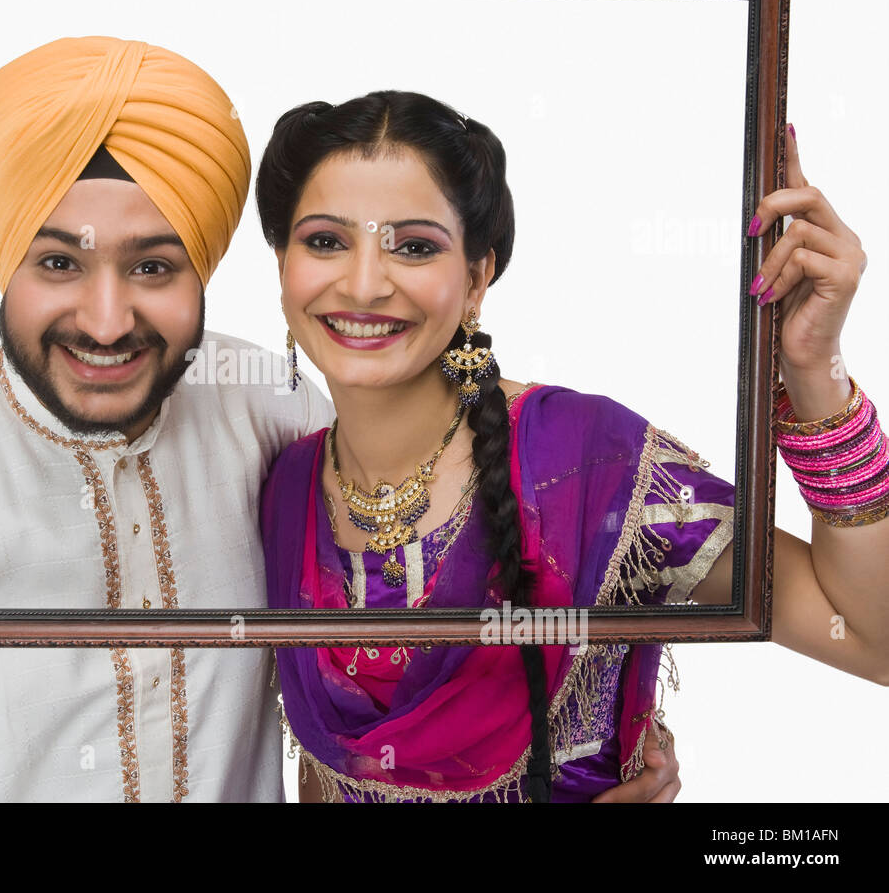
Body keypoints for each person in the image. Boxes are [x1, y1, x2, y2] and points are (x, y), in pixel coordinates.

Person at [0, 37, 680, 804]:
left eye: (153, 266)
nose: (106, 318)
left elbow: (435, 573)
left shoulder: (269, 408)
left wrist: (594, 746)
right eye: (57, 261)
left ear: (205, 269)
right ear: (1, 260)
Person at [254, 91, 889, 802]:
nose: (364, 282)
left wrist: (814, 369)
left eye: (414, 246)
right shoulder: (286, 487)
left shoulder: (582, 465)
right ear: (282, 264)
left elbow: (872, 636)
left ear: (476, 278)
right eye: (325, 241)